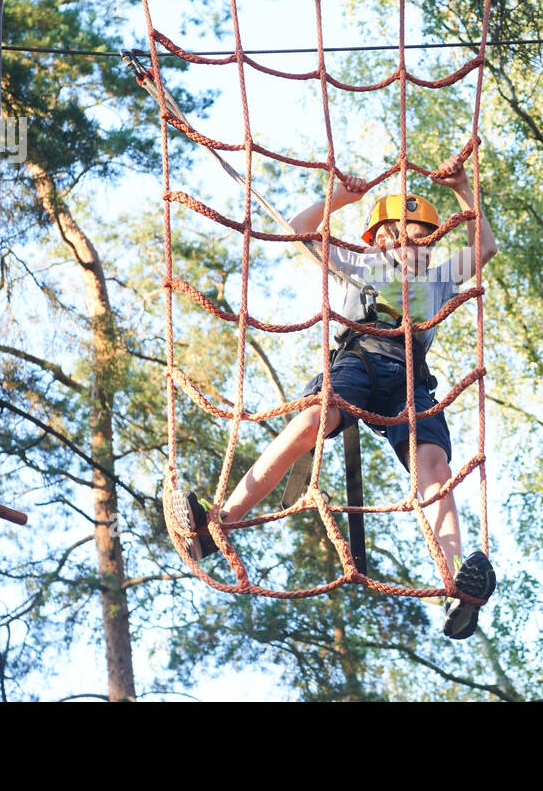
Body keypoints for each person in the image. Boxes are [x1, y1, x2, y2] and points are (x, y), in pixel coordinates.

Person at [182, 153, 498, 639]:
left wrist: (463, 190)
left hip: (410, 377)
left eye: (424, 240)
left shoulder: (438, 278)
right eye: (403, 236)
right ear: (382, 239)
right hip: (358, 360)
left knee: (434, 467)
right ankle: (222, 521)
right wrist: (342, 198)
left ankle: (458, 586)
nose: (413, 246)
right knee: (310, 422)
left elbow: (486, 246)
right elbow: (300, 226)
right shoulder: (359, 263)